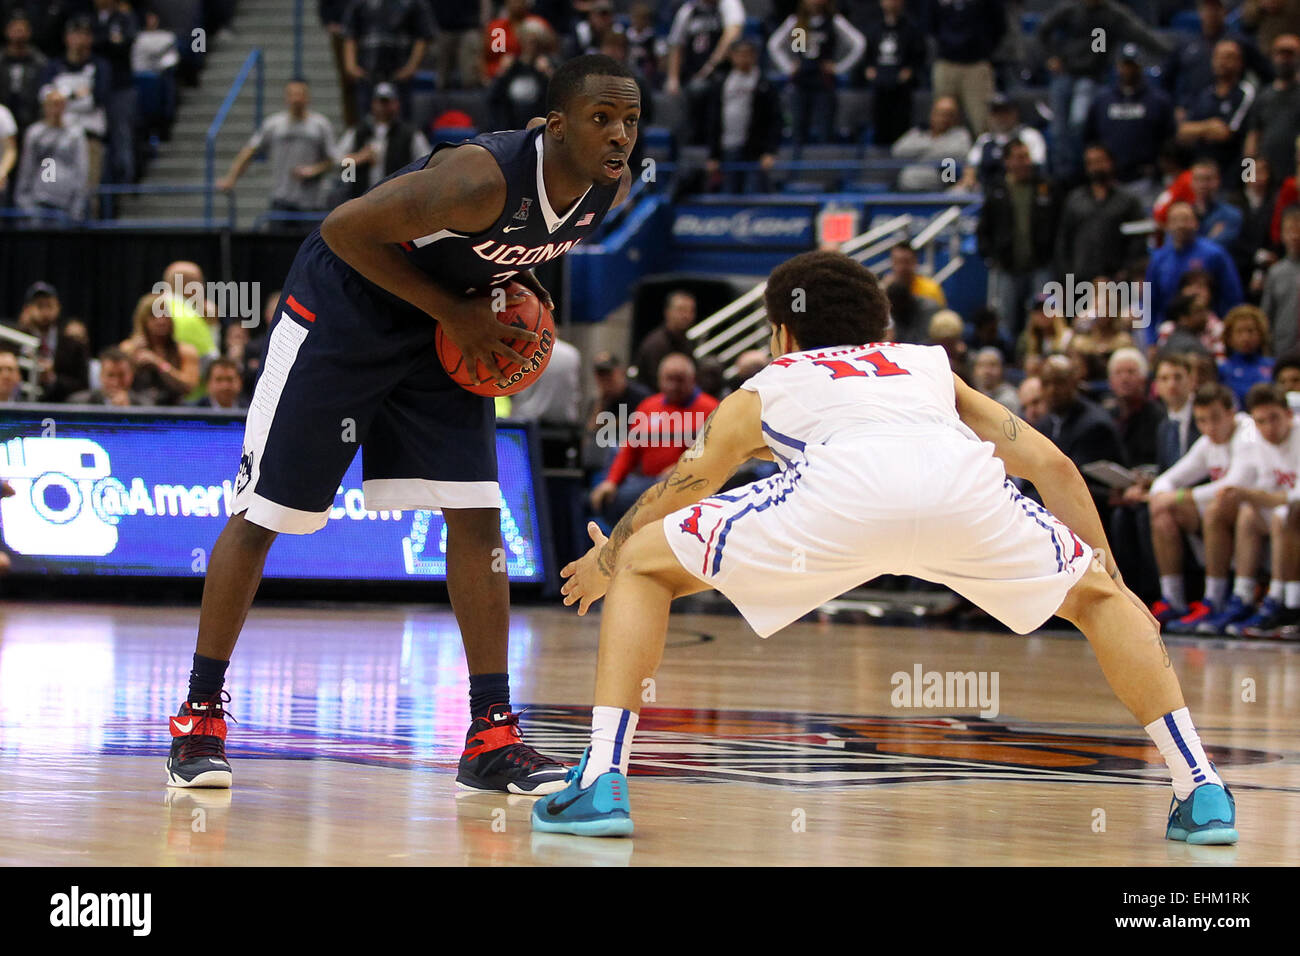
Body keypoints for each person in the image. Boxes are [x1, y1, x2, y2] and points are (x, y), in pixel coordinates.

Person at [539, 250, 1237, 845]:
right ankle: (1200, 789)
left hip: (832, 508)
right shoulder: (924, 363)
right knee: (1098, 601)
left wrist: (607, 558)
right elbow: (1053, 466)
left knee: (644, 564)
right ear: (882, 326)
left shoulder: (769, 383)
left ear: (782, 332)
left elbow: (687, 482)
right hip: (963, 497)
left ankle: (602, 778)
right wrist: (1109, 583)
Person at [164, 55, 639, 797]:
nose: (619, 135)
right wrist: (455, 310)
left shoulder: (608, 188)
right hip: (345, 310)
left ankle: (491, 733)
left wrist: (512, 299)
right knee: (263, 514)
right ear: (553, 126)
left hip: (445, 329)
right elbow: (343, 226)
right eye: (601, 118)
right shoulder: (479, 178)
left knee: (480, 513)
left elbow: (510, 254)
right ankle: (199, 715)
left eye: (630, 121)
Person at [1170, 383, 1300, 635]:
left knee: (1283, 514)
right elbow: (1265, 490)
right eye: (1261, 421)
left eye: (1274, 418)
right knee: (1247, 512)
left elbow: (1294, 497)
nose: (1269, 428)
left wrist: (1249, 494)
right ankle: (1241, 597)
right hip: (1285, 512)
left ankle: (1285, 602)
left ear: (1289, 415)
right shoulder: (1257, 442)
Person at [1144, 384, 1252, 624]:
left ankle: (1215, 599)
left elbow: (1235, 483)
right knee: (1163, 513)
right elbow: (1168, 479)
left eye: (1215, 418)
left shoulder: (1247, 434)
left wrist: (1179, 496)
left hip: (1259, 509)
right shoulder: (1207, 442)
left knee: (1214, 509)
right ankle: (1173, 598)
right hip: (1232, 513)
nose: (1209, 428)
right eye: (1202, 421)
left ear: (1231, 412)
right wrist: (1160, 496)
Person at [589, 352, 718, 524]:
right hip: (648, 481)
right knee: (607, 500)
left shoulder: (711, 409)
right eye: (668, 379)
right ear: (659, 380)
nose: (673, 386)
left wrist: (683, 467)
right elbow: (630, 450)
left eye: (679, 379)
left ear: (692, 380)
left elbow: (716, 453)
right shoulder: (648, 406)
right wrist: (611, 481)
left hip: (689, 484)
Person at [216, 80, 336, 226]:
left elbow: (333, 161)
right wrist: (231, 178)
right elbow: (249, 151)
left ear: (307, 97)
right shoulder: (273, 124)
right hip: (281, 199)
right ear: (286, 98)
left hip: (311, 203)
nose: (296, 99)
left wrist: (314, 170)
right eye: (292, 94)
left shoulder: (320, 125)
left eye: (300, 94)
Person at [976, 139, 1059, 341]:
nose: (1025, 162)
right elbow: (983, 229)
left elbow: (1057, 226)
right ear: (1007, 162)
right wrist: (991, 256)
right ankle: (1008, 359)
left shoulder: (1046, 187)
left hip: (1040, 264)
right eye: (1019, 157)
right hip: (1006, 267)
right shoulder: (996, 190)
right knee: (1005, 319)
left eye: (1027, 157)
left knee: (1045, 316)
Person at [765, 0, 865, 146]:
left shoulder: (834, 21)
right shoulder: (796, 21)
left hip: (823, 82)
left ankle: (823, 165)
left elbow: (859, 43)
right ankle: (797, 166)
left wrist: (839, 68)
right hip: (800, 81)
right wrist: (788, 67)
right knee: (798, 129)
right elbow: (774, 44)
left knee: (825, 129)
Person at [704, 39, 780, 195]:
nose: (744, 59)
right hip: (728, 147)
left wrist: (770, 151)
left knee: (756, 192)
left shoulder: (764, 84)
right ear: (732, 56)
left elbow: (774, 119)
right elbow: (713, 119)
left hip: (756, 151)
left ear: (754, 57)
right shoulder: (721, 82)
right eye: (739, 55)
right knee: (730, 192)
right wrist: (713, 155)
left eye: (747, 55)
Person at [13, 85, 88, 220]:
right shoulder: (34, 133)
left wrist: (78, 204)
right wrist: (23, 201)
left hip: (66, 203)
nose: (56, 109)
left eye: (60, 104)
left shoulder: (75, 134)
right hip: (37, 201)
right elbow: (26, 168)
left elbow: (81, 169)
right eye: (52, 104)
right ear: (44, 106)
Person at [861, 0, 926, 147]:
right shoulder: (873, 29)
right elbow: (866, 56)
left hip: (902, 90)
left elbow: (919, 56)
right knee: (880, 129)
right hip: (879, 88)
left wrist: (910, 71)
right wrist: (868, 69)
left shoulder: (912, 29)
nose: (892, 3)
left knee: (901, 131)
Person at [119, 292, 201, 405]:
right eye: (154, 315)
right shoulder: (128, 348)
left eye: (165, 315)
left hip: (173, 409)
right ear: (143, 320)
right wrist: (132, 358)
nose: (161, 321)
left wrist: (158, 364)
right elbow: (116, 384)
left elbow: (189, 387)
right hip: (137, 409)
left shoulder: (185, 351)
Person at [891, 96, 972, 192]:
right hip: (906, 189)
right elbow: (897, 151)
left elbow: (960, 153)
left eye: (949, 114)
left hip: (943, 188)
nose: (943, 118)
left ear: (955, 117)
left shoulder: (960, 134)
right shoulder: (918, 132)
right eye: (940, 113)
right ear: (932, 114)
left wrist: (919, 156)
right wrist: (934, 147)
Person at [633, 290, 696, 388]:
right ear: (668, 312)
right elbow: (658, 385)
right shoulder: (656, 344)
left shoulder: (686, 341)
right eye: (681, 310)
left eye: (690, 311)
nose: (686, 315)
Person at [1261, 205, 1300, 356]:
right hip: (1283, 348)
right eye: (1290, 231)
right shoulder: (1276, 272)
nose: (1295, 236)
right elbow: (1266, 315)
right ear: (1282, 235)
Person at [1218, 304, 1274, 405]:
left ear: (1261, 334)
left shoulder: (1272, 366)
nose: (1245, 338)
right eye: (1239, 332)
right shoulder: (1222, 369)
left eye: (1250, 331)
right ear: (1229, 337)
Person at [68, 346, 146, 406]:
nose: (115, 382)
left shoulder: (145, 406)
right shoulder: (78, 404)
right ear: (100, 376)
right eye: (110, 375)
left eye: (121, 375)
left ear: (131, 375)